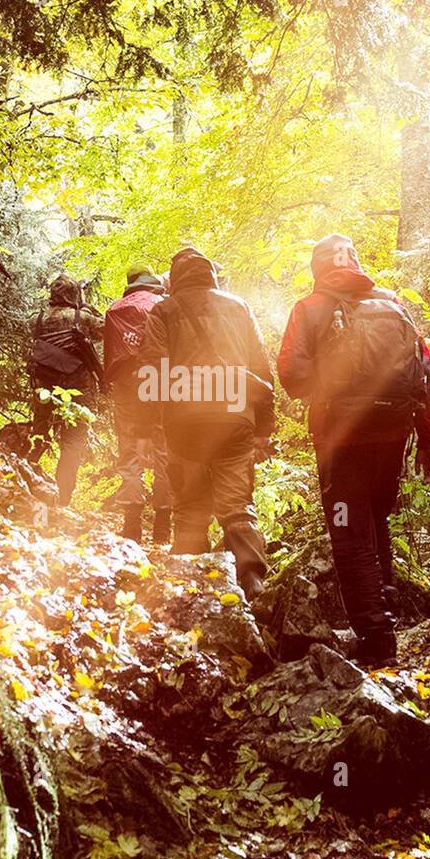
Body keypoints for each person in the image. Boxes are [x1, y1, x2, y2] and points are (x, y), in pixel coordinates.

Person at [277, 234, 430, 667]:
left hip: (341, 438)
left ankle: (377, 637)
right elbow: (427, 375)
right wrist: (428, 442)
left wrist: (331, 388)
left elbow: (291, 374)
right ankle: (385, 617)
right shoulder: (393, 305)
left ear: (318, 268)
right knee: (375, 520)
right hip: (393, 434)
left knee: (348, 532)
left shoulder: (309, 309)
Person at [136, 246, 274, 599]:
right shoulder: (238, 306)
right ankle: (253, 580)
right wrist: (262, 430)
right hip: (234, 417)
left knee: (190, 507)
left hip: (185, 422)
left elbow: (153, 368)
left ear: (175, 277)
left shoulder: (163, 310)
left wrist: (145, 432)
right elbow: (260, 369)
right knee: (237, 504)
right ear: (210, 273)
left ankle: (190, 591)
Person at [104, 264, 172, 544]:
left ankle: (131, 527)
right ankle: (162, 528)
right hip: (160, 384)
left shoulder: (115, 309)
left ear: (130, 282)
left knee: (129, 451)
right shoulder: (163, 305)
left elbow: (110, 355)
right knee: (163, 451)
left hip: (126, 388)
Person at [28, 276, 104, 505]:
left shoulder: (37, 319)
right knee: (72, 441)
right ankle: (63, 497)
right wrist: (89, 309)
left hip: (44, 385)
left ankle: (28, 483)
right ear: (74, 294)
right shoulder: (84, 318)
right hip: (78, 387)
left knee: (39, 434)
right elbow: (105, 331)